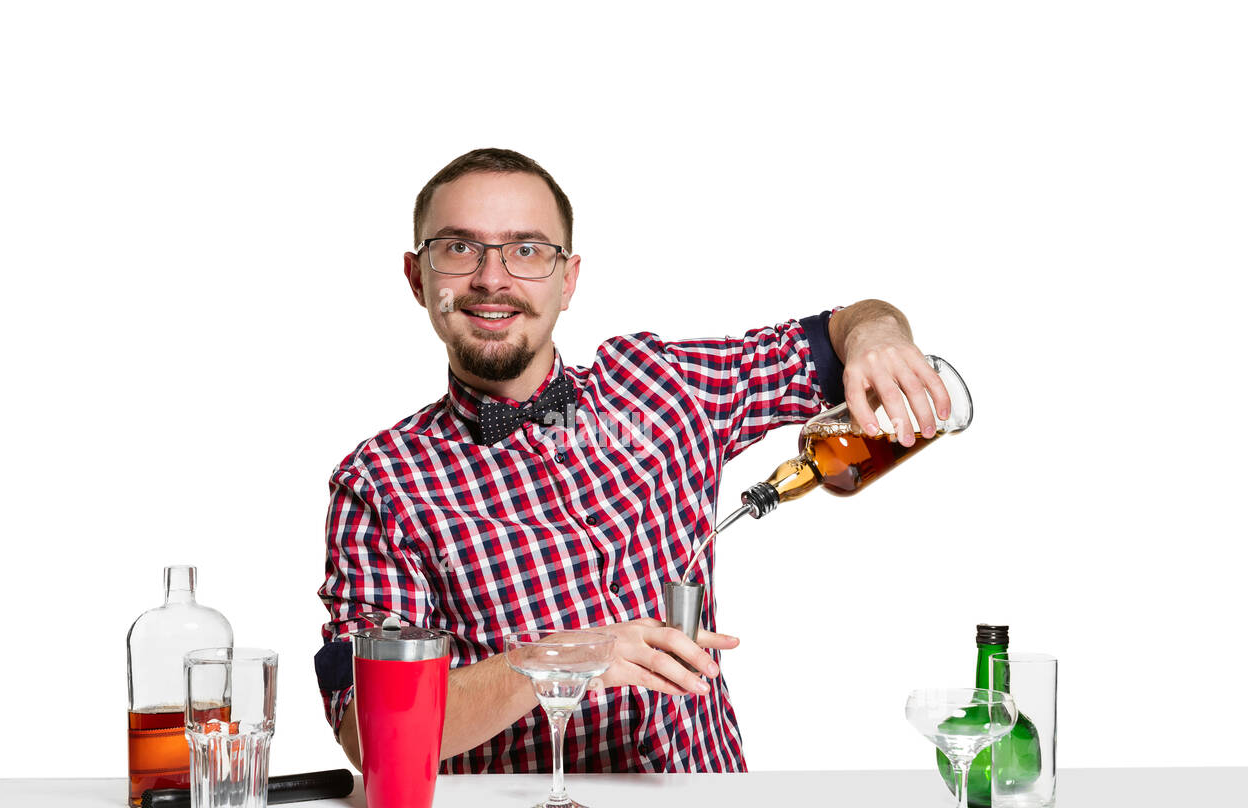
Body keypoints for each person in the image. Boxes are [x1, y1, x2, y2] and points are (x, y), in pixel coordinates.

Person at [314, 148, 950, 772]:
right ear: (416, 277)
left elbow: (841, 329)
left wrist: (877, 335)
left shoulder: (665, 386)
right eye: (458, 248)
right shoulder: (379, 483)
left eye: (527, 250)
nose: (491, 278)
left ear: (569, 280)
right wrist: (560, 657)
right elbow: (371, 735)